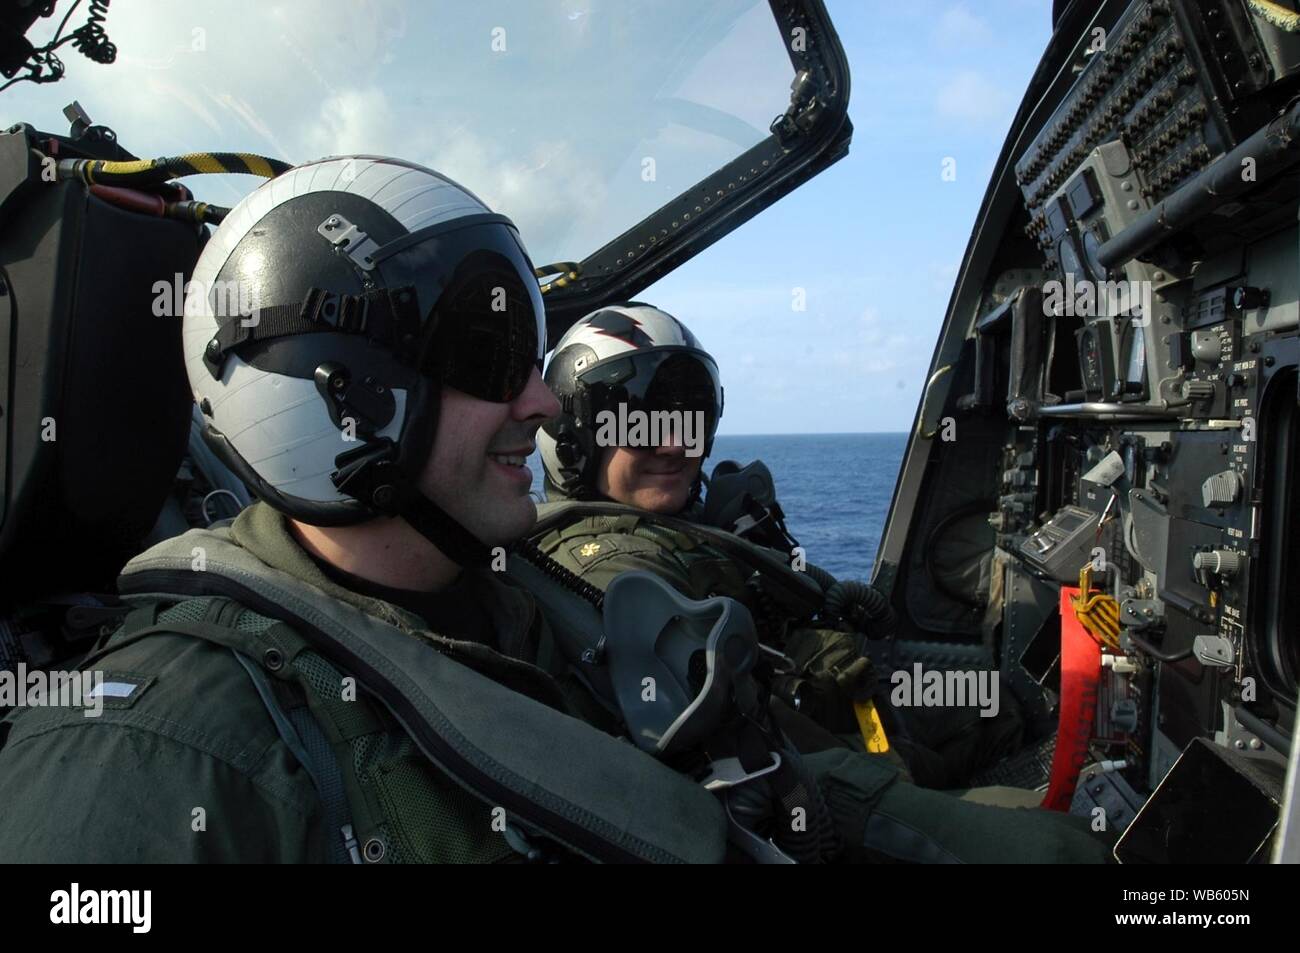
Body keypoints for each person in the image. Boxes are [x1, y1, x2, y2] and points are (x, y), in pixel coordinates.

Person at [0, 166, 1106, 864]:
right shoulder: (142, 754)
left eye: (534, 359)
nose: (537, 402)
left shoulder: (539, 605)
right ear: (339, 397)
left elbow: (783, 784)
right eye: (491, 360)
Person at [533, 304, 1030, 791]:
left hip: (844, 717)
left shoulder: (679, 527)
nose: (671, 444)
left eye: (688, 418)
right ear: (573, 438)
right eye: (634, 422)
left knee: (999, 701)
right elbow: (740, 747)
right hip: (811, 770)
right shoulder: (615, 574)